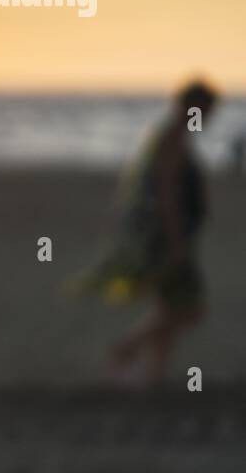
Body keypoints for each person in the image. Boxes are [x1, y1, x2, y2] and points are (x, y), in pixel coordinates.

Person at [68, 79, 219, 386]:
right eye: (204, 110)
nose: (207, 117)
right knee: (190, 309)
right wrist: (176, 240)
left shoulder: (172, 136)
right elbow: (165, 193)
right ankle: (125, 349)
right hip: (166, 237)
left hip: (167, 235)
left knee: (169, 306)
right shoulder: (172, 138)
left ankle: (154, 376)